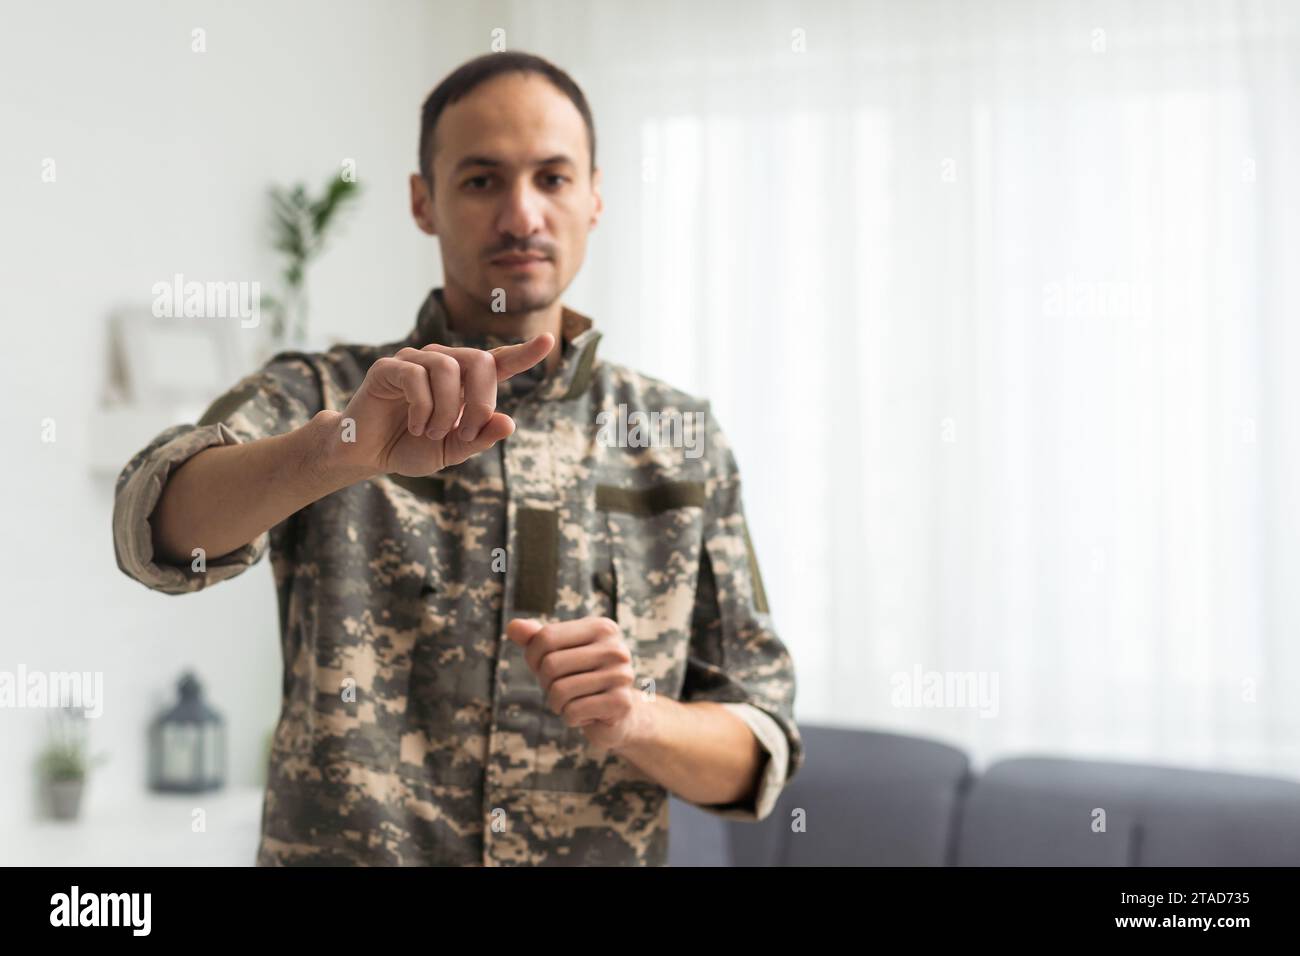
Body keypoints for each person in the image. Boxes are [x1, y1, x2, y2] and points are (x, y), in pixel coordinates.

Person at [112, 51, 802, 866]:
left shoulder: (683, 438)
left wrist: (639, 718)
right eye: (481, 180)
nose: (521, 214)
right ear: (422, 201)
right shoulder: (324, 392)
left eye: (552, 177)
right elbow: (152, 529)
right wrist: (335, 453)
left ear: (595, 195)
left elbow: (760, 751)